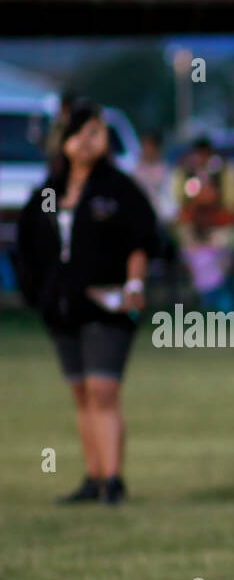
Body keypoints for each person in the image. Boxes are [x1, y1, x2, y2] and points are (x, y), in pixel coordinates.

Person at [16, 102, 157, 505]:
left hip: (107, 304)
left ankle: (113, 479)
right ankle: (94, 477)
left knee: (103, 389)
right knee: (81, 393)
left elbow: (142, 240)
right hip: (62, 307)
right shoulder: (49, 193)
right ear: (63, 141)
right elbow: (28, 244)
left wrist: (134, 284)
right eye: (77, 133)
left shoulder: (118, 190)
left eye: (95, 132)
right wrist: (37, 291)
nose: (85, 141)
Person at [173, 136, 234, 313]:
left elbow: (231, 205)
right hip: (194, 229)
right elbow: (179, 206)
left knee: (223, 247)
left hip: (218, 227)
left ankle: (220, 302)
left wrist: (211, 204)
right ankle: (205, 302)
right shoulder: (186, 173)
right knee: (190, 247)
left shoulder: (223, 172)